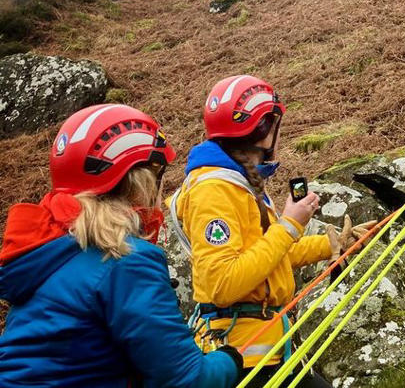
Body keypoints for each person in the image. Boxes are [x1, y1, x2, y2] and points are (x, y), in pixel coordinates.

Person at [0, 104, 242, 387]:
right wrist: (229, 360)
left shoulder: (51, 254)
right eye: (157, 175)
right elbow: (187, 380)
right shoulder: (126, 260)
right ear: (139, 181)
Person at [170, 75, 375, 387]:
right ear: (265, 130)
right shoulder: (214, 191)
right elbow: (222, 283)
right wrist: (290, 224)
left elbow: (269, 257)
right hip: (244, 360)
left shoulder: (239, 184)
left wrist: (333, 244)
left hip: (269, 351)